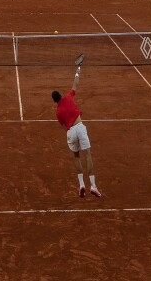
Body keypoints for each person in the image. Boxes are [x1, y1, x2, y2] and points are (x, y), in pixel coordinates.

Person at [52, 64, 100, 200]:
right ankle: (93, 186)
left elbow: (63, 127)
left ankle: (81, 185)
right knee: (88, 155)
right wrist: (78, 70)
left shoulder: (58, 112)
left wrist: (69, 132)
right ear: (60, 96)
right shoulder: (68, 97)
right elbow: (75, 84)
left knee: (76, 157)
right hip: (80, 127)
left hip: (70, 132)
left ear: (54, 101)